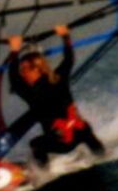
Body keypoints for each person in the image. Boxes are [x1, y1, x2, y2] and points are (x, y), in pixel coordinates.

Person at [6, 25, 105, 166]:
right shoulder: (58, 78)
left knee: (35, 144)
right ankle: (101, 154)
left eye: (25, 70)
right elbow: (69, 59)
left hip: (62, 142)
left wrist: (14, 51)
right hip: (81, 131)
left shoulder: (32, 92)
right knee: (85, 131)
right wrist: (65, 36)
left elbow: (14, 80)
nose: (22, 73)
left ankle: (42, 172)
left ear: (37, 69)